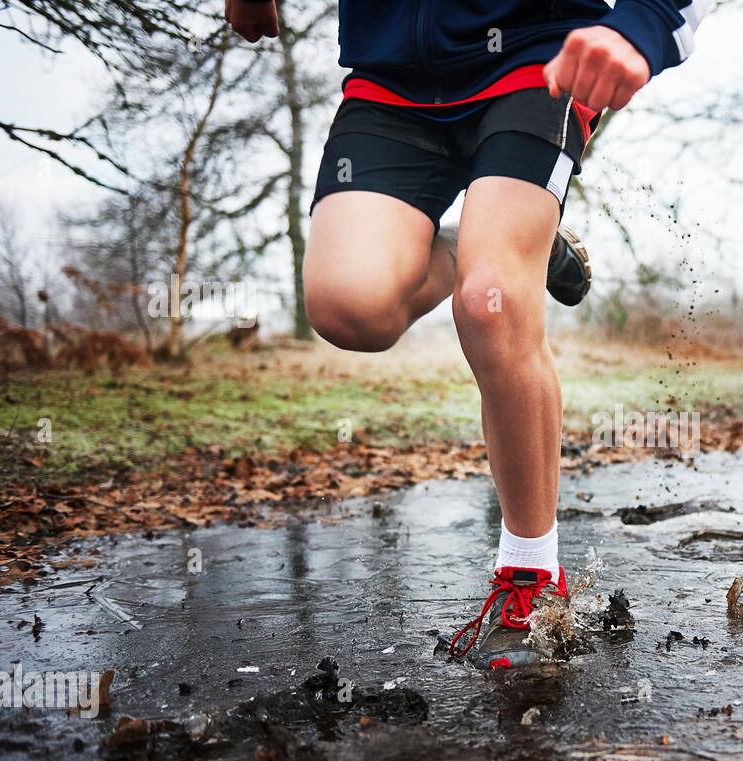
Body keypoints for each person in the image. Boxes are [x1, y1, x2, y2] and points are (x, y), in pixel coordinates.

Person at [226, 0, 710, 669]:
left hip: (535, 57)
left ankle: (530, 575)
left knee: (491, 302)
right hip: (390, 79)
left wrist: (644, 23)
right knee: (346, 308)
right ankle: (488, 249)